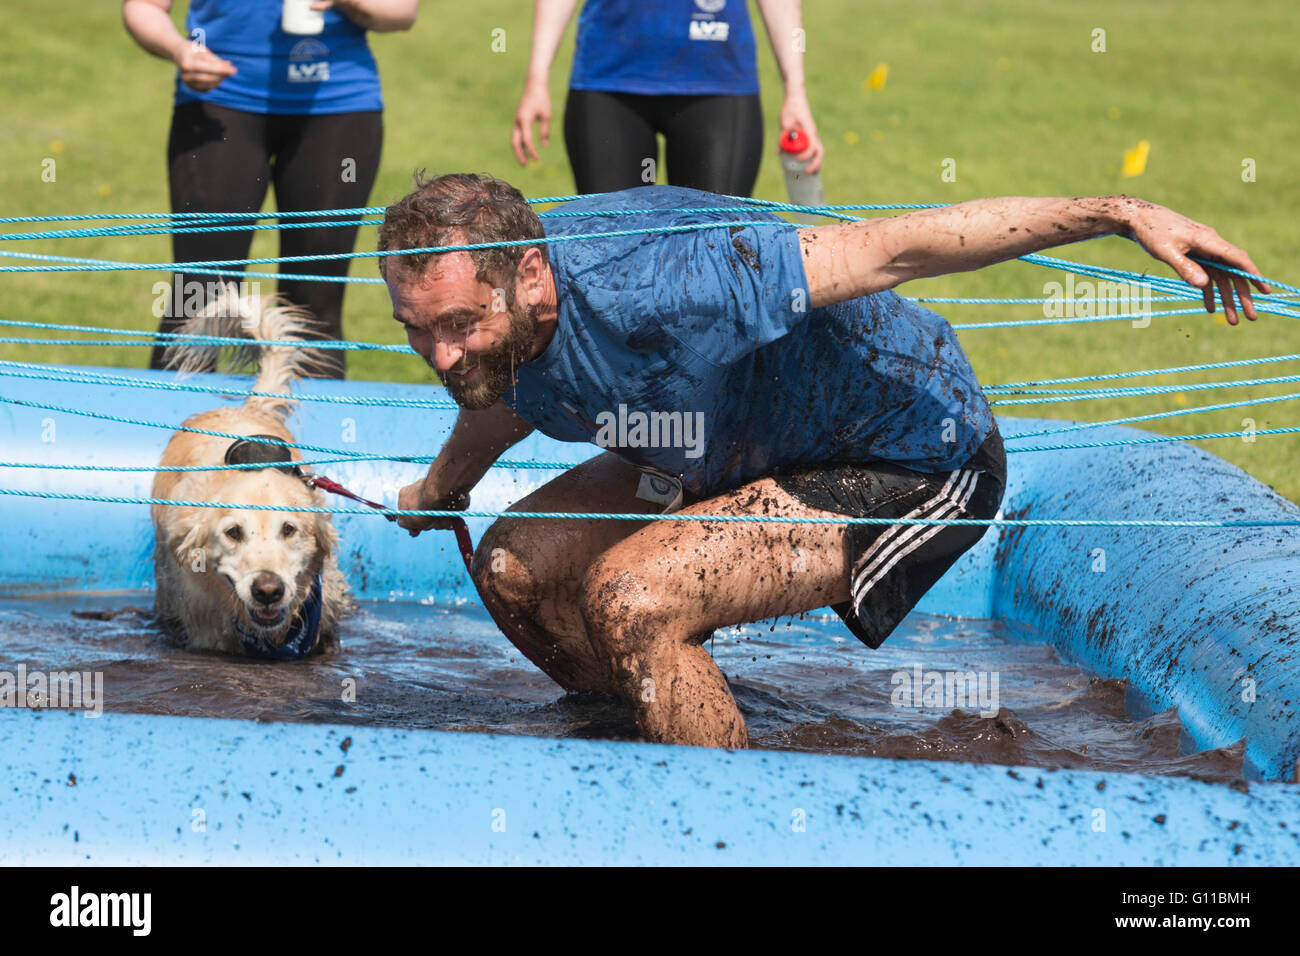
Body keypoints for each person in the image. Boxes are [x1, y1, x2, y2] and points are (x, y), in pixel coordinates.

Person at [378, 172, 1267, 749]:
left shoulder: (677, 279)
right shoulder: (503, 319)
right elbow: (503, 395)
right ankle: (662, 742)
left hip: (903, 453)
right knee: (513, 567)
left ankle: (725, 830)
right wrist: (440, 489)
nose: (444, 356)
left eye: (460, 326)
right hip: (726, 447)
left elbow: (897, 247)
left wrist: (1118, 212)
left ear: (533, 275)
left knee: (632, 596)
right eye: (418, 331)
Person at [122, 0, 419, 377]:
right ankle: (173, 430)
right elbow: (144, 7)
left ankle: (306, 436)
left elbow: (402, 12)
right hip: (220, 100)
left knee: (314, 302)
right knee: (197, 295)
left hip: (338, 105)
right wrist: (180, 49)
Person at [511, 0, 824, 196]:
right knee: (611, 253)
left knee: (713, 253)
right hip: (608, 82)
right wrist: (537, 79)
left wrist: (795, 91)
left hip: (718, 83)